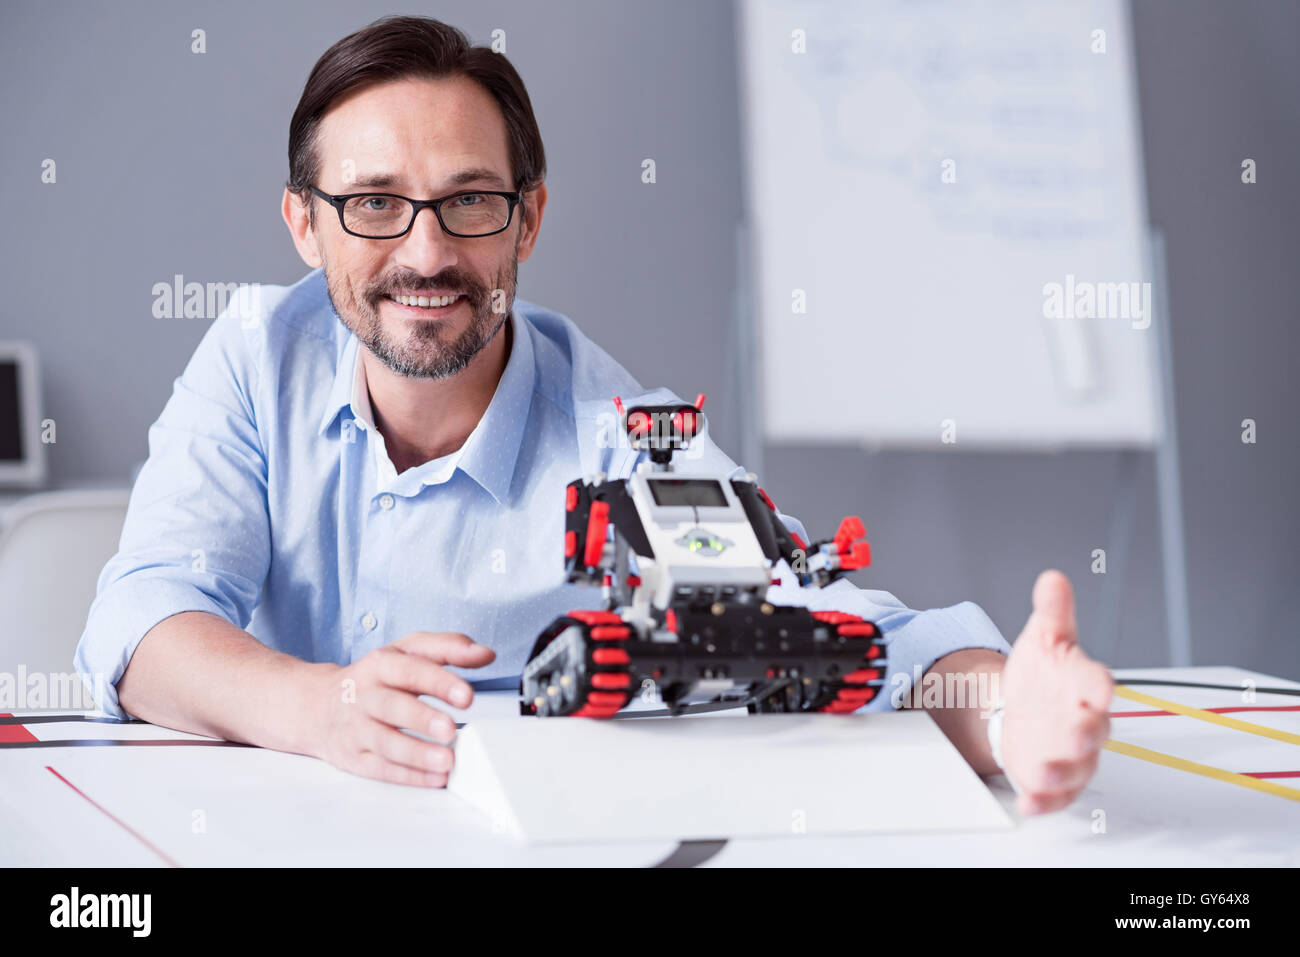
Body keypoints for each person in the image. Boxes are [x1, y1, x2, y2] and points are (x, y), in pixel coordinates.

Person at [75, 15, 1112, 816]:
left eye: (470, 201)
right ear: (304, 223)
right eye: (375, 203)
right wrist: (320, 708)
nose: (427, 253)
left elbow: (853, 638)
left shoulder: (627, 437)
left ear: (527, 218)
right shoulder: (255, 358)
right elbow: (141, 624)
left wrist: (1001, 714)